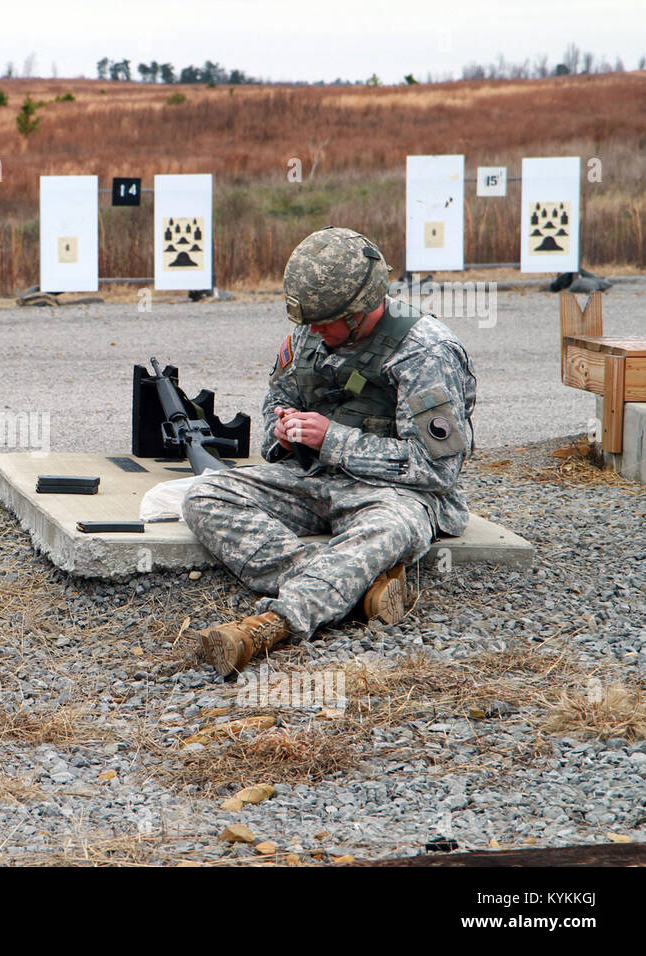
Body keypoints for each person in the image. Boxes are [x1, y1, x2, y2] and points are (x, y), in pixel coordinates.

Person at [181, 226, 477, 677]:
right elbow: (276, 403)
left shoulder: (425, 353)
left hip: (395, 494)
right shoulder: (309, 335)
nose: (312, 330)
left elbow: (437, 469)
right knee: (205, 495)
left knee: (388, 529)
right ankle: (352, 585)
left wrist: (331, 439)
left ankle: (272, 624)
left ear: (360, 309)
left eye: (323, 321)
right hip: (315, 480)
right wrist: (282, 435)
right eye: (308, 322)